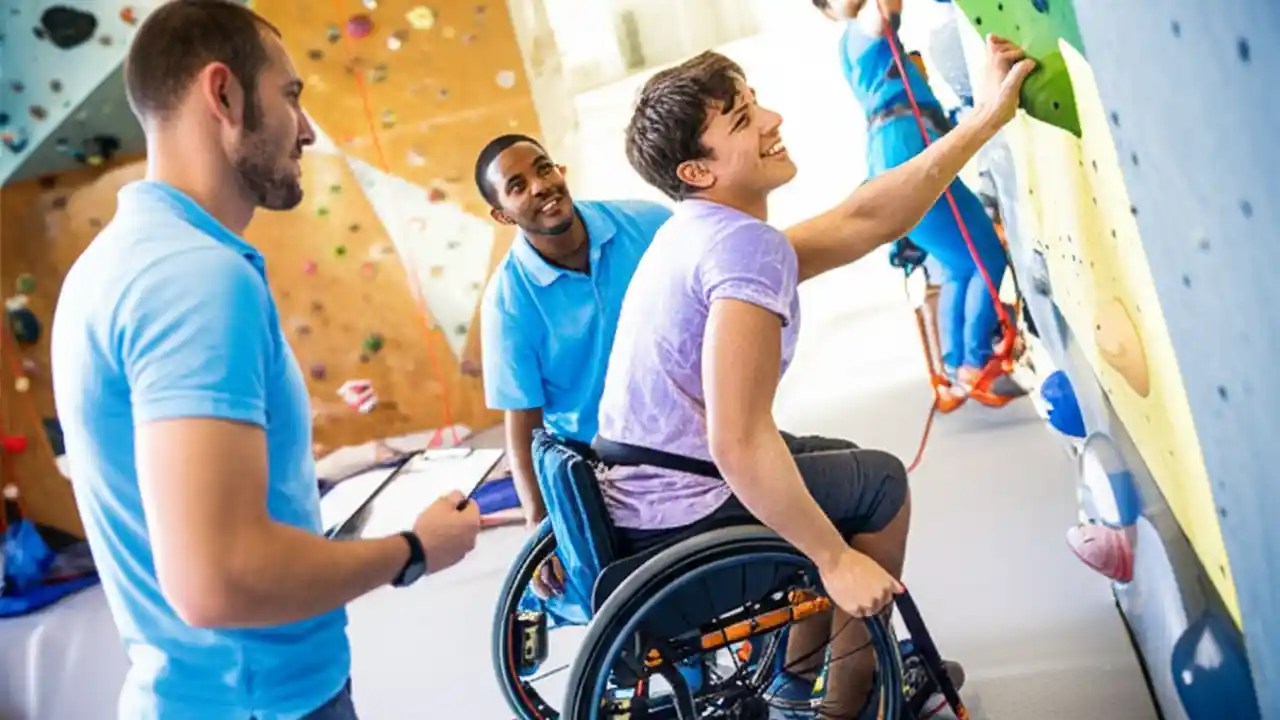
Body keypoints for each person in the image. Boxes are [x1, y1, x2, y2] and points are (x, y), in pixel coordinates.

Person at [49, 2, 480, 718]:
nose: (306, 130)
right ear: (223, 94)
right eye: (291, 96)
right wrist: (413, 548)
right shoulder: (192, 277)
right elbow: (218, 580)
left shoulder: (117, 264)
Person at [594, 27, 1033, 720]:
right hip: (684, 507)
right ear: (697, 171)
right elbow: (737, 444)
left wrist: (982, 119)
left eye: (754, 103)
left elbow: (865, 217)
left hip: (650, 490)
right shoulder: (740, 249)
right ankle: (842, 705)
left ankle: (798, 683)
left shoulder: (700, 231)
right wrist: (834, 559)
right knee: (881, 483)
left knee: (840, 466)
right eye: (742, 120)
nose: (772, 120)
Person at [818, 0, 1026, 405]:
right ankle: (978, 364)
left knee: (958, 267)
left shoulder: (858, 45)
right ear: (827, 13)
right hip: (907, 145)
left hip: (904, 144)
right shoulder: (858, 35)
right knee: (985, 258)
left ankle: (957, 366)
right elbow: (879, 16)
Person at [475, 133, 672, 538]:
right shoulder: (507, 301)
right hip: (601, 461)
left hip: (686, 424)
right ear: (502, 215)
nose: (540, 185)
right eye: (517, 186)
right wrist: (537, 522)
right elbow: (524, 421)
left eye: (543, 168)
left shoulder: (651, 225)